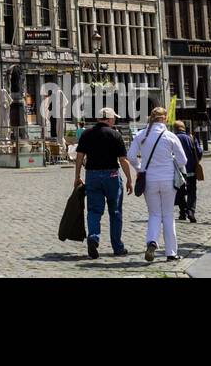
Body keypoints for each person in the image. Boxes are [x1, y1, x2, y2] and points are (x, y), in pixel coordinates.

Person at [73, 107, 134, 259]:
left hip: (92, 175)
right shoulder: (115, 134)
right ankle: (117, 247)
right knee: (115, 212)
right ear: (108, 119)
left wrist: (77, 176)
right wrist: (129, 179)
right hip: (112, 175)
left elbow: (79, 156)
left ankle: (93, 238)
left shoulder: (87, 134)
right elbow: (123, 159)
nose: (115, 121)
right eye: (114, 119)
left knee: (93, 211)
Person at [128, 107, 187, 262]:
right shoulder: (170, 136)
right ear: (165, 118)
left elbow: (131, 156)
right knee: (168, 215)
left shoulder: (141, 135)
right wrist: (171, 159)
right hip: (168, 179)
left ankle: (152, 241)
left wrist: (140, 168)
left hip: (150, 180)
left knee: (154, 214)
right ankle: (171, 253)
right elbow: (183, 161)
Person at [171, 120, 202, 223]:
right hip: (191, 169)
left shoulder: (173, 138)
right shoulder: (191, 138)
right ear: (184, 128)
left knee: (180, 191)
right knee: (192, 191)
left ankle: (183, 212)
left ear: (175, 129)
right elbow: (199, 152)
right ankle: (191, 211)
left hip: (178, 171)